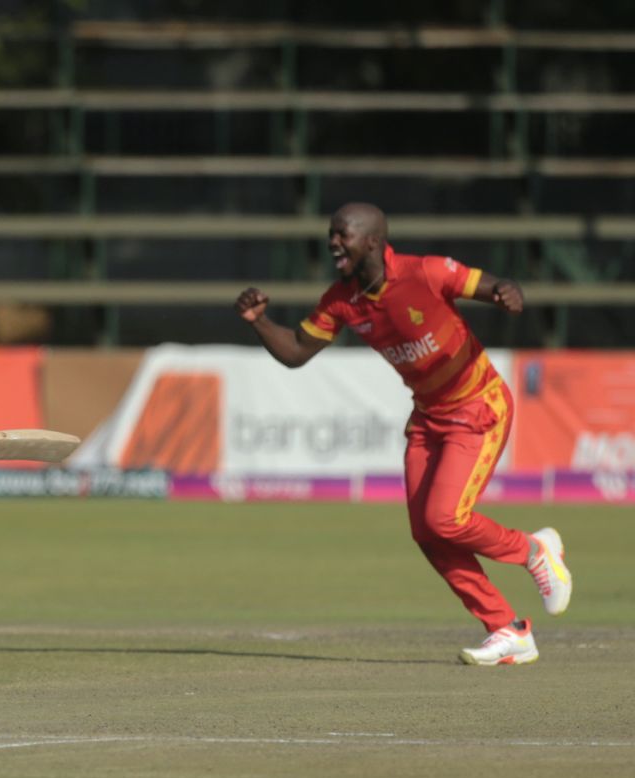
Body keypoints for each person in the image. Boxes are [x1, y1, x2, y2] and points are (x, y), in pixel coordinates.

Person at [235, 202, 572, 666]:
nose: (333, 242)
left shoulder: (426, 272)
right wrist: (259, 323)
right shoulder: (341, 300)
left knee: (446, 519)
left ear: (372, 241)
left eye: (342, 235)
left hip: (479, 407)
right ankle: (507, 629)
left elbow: (489, 285)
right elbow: (295, 351)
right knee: (428, 532)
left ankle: (534, 551)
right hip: (428, 420)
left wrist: (507, 292)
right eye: (331, 234)